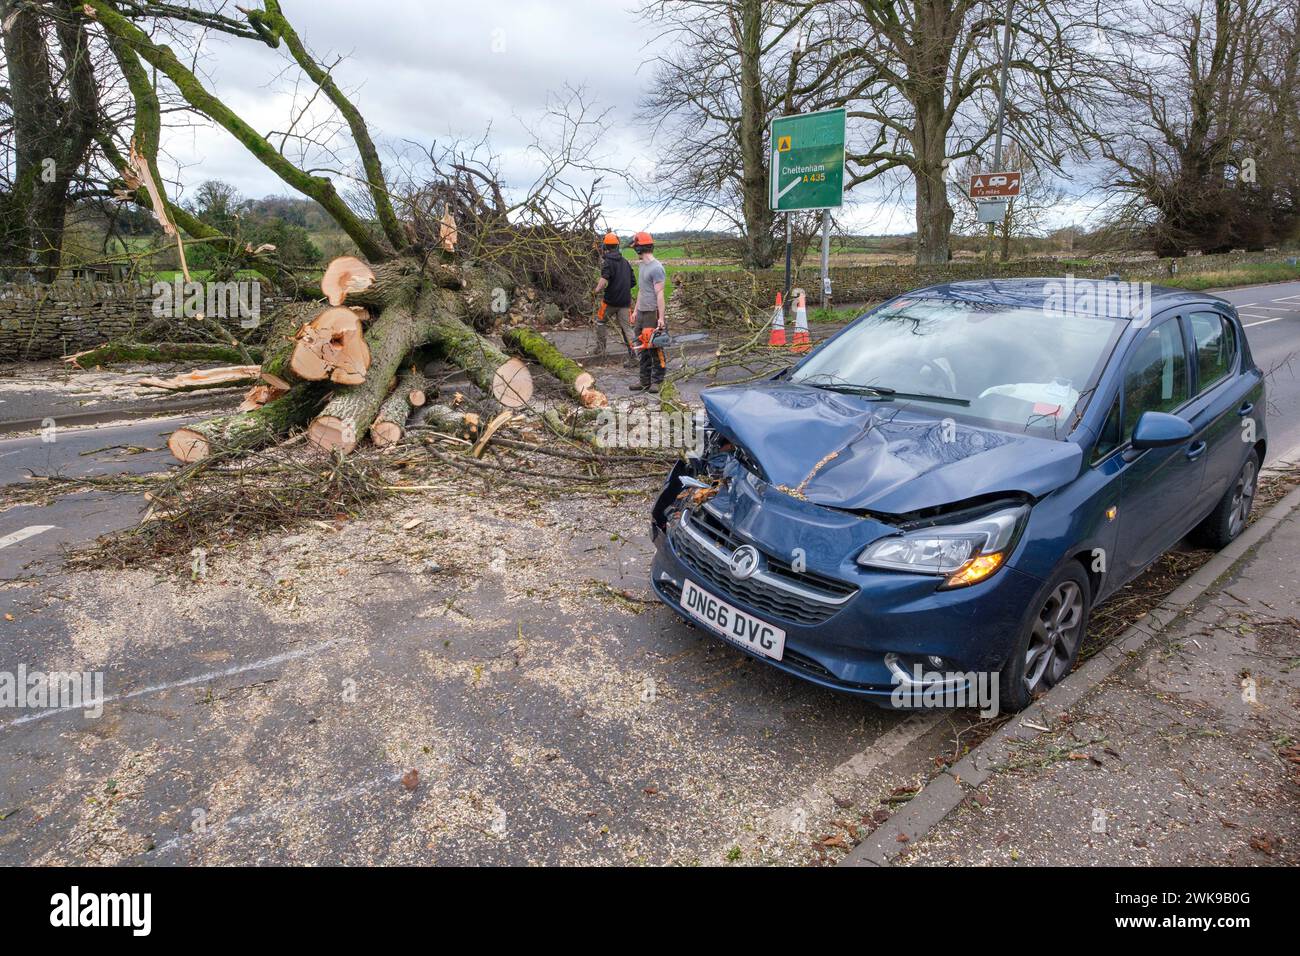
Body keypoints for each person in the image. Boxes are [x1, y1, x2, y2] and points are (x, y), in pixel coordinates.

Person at [629, 231, 667, 393]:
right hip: (642, 312)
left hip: (652, 312)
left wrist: (661, 318)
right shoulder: (642, 265)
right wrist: (636, 310)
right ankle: (644, 381)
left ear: (639, 248)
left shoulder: (657, 267)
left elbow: (660, 294)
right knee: (642, 347)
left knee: (654, 347)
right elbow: (641, 290)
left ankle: (658, 381)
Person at [593, 232, 636, 366]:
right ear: (617, 246)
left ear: (605, 246)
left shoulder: (608, 262)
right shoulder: (625, 262)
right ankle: (635, 357)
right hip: (625, 302)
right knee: (627, 329)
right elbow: (633, 282)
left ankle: (601, 349)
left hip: (610, 301)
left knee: (600, 321)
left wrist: (595, 291)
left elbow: (603, 280)